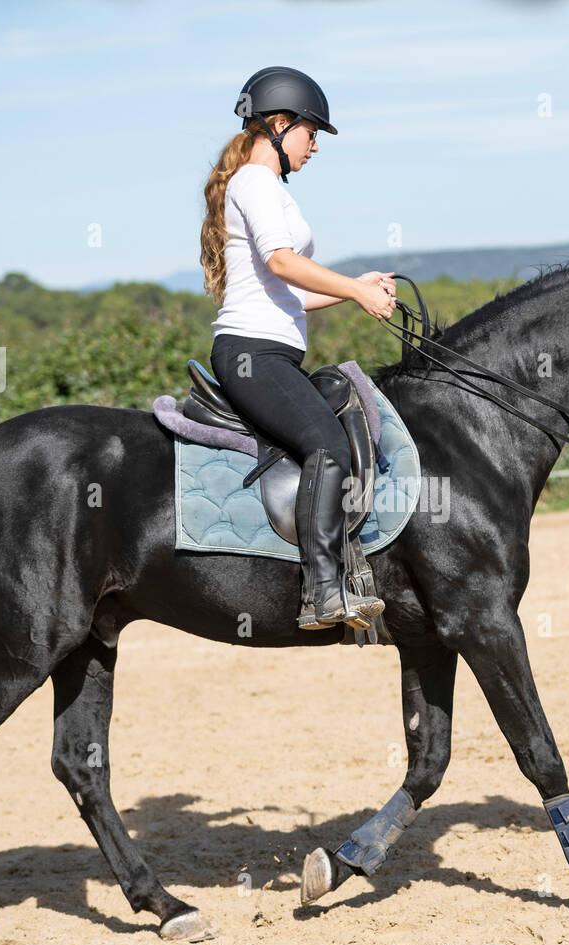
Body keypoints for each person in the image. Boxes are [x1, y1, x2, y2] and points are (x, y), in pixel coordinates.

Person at [198, 66, 396, 631]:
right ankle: (322, 593)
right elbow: (283, 262)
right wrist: (354, 289)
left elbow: (289, 294)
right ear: (280, 124)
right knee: (328, 446)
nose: (315, 146)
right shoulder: (257, 182)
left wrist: (355, 286)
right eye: (312, 133)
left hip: (271, 350)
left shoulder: (263, 186)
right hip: (252, 354)